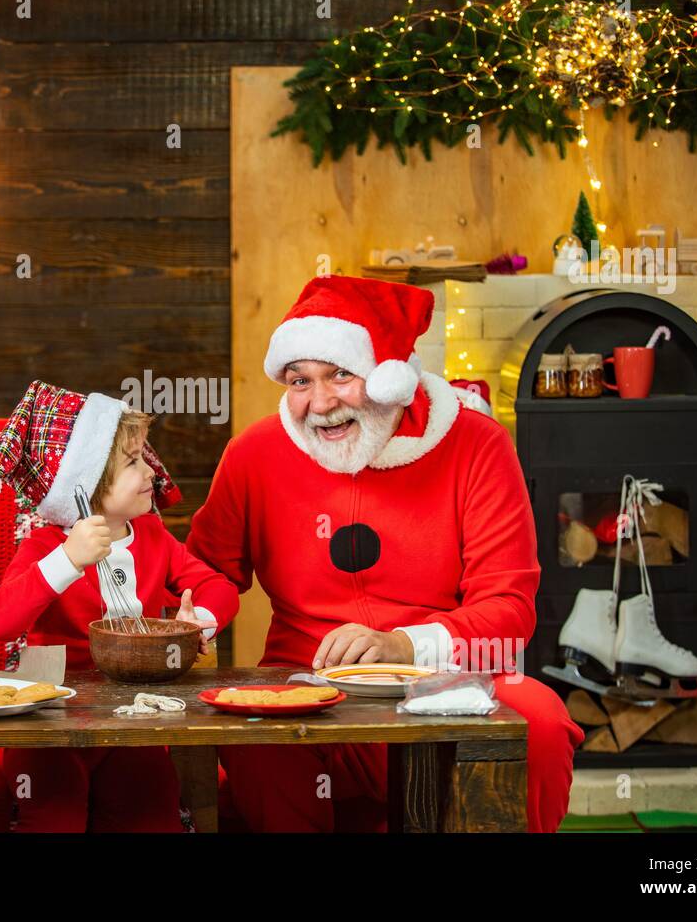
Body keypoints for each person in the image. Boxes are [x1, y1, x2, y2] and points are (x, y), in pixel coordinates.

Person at [186, 274, 585, 832]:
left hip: (452, 679)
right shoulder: (254, 454)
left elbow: (510, 610)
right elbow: (204, 571)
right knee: (254, 735)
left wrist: (402, 644)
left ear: (391, 378)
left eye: (341, 375)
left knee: (538, 723)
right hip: (305, 683)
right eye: (300, 381)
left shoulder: (477, 446)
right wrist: (195, 613)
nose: (320, 404)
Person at [0, 379, 239, 831]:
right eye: (134, 462)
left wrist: (200, 623)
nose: (152, 472)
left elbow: (219, 587)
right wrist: (67, 560)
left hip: (134, 716)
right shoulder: (46, 546)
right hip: (50, 720)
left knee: (152, 816)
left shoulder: (154, 538)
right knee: (52, 818)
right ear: (85, 480)